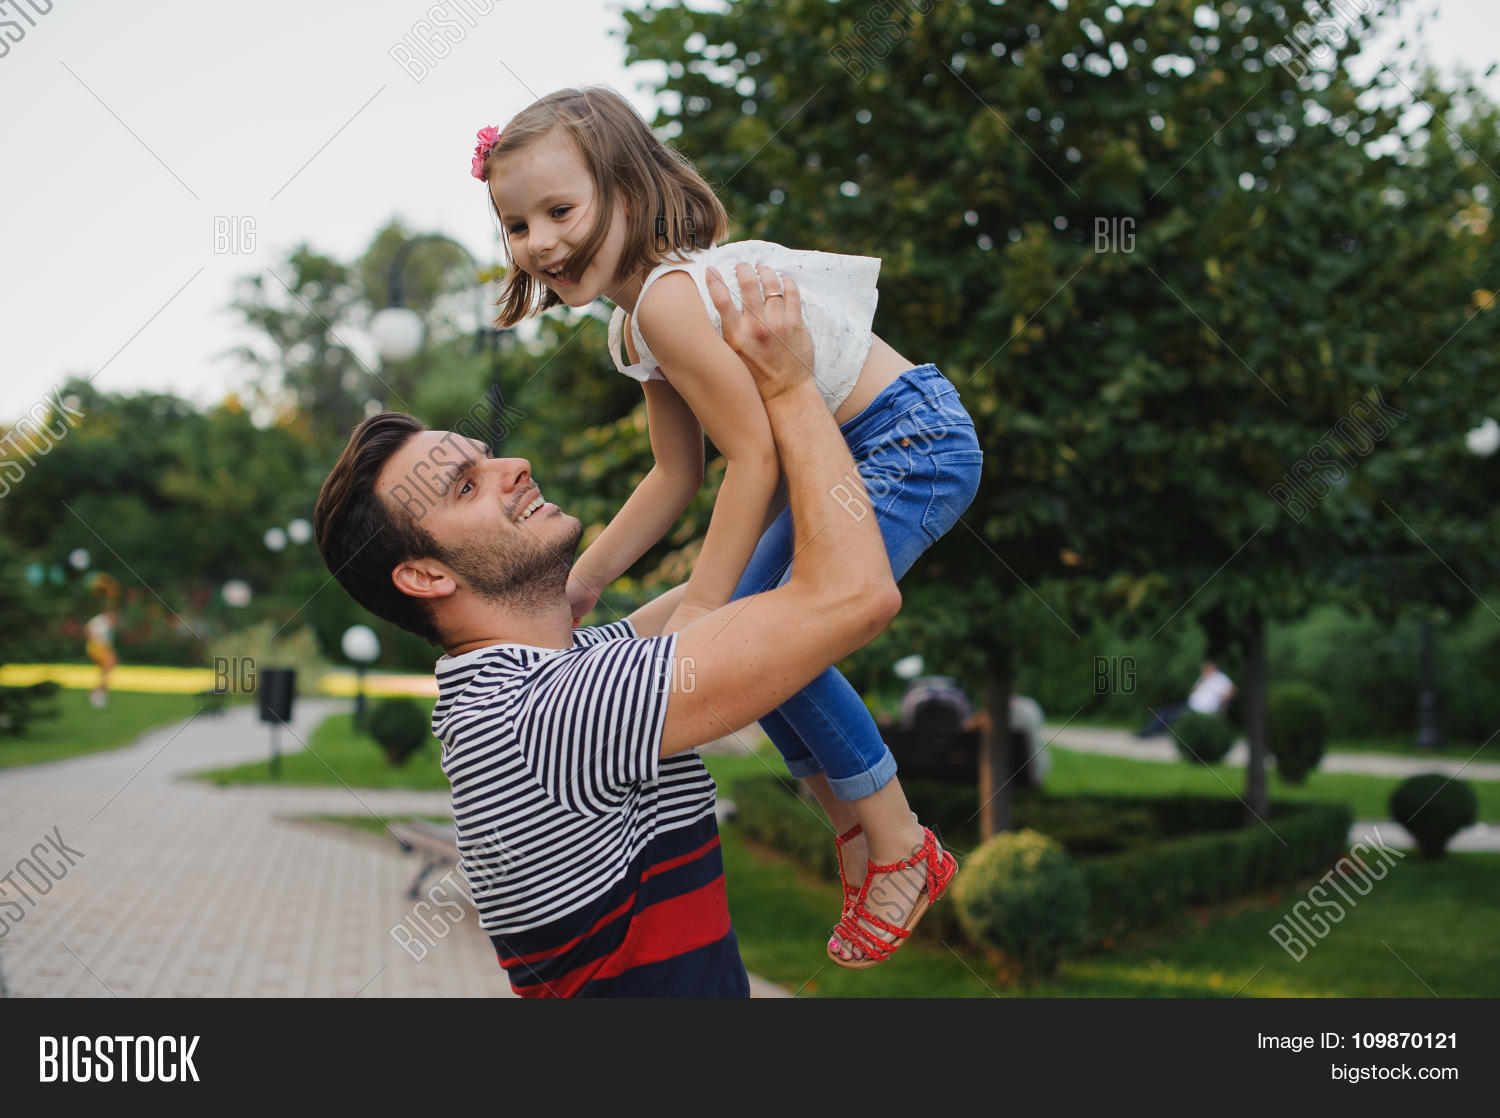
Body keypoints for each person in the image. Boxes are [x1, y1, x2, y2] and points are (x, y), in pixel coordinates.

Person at [313, 265, 955, 995]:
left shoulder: (538, 687)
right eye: (466, 487)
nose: (514, 466)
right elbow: (851, 596)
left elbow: (763, 596)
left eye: (486, 459)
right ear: (427, 577)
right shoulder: (550, 713)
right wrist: (789, 386)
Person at [471, 87, 983, 964]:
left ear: (628, 191)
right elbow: (676, 476)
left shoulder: (671, 297)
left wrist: (709, 610)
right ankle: (857, 833)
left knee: (768, 627)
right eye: (518, 226)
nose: (541, 242)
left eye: (561, 209)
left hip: (907, 440)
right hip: (835, 457)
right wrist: (581, 584)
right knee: (761, 638)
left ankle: (899, 843)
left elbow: (754, 458)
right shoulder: (637, 327)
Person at [1135, 659, 1237, 738]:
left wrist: (1222, 699)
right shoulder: (1204, 678)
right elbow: (1192, 691)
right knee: (1164, 711)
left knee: (1170, 716)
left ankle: (1149, 734)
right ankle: (1149, 732)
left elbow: (1232, 690)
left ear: (1213, 667)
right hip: (1190, 706)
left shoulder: (1219, 678)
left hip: (1201, 710)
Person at [83, 607, 117, 708]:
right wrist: (95, 640)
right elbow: (88, 629)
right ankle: (97, 692)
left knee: (107, 669)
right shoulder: (100, 620)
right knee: (108, 666)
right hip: (97, 647)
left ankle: (98, 691)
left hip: (101, 647)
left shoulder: (107, 623)